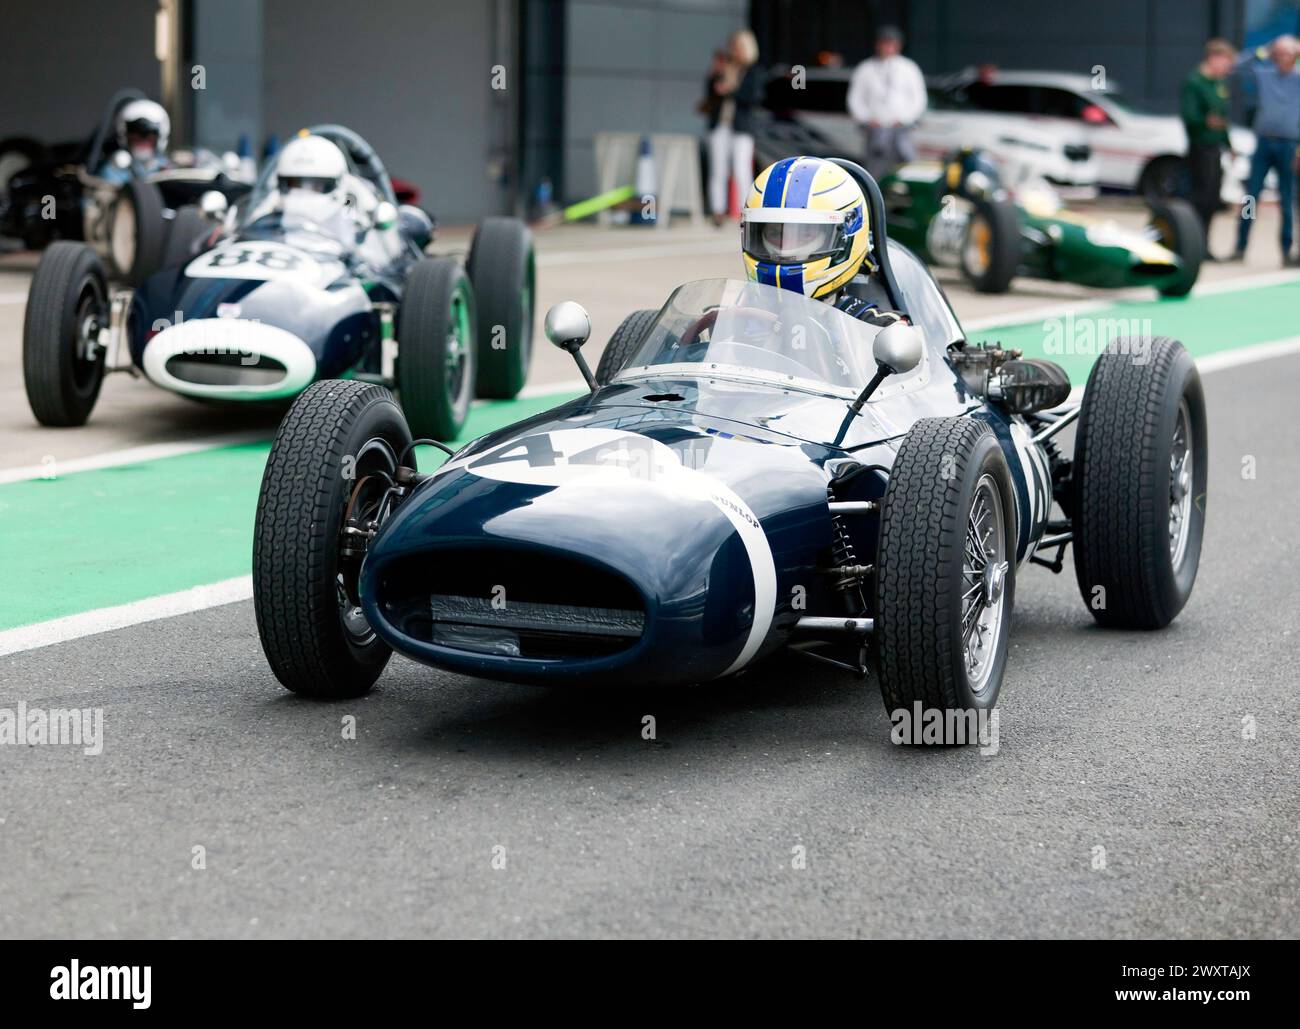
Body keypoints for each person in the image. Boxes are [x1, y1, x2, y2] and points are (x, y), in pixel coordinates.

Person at [740, 155, 906, 328]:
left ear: (845, 238)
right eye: (775, 233)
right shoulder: (740, 313)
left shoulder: (873, 324)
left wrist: (897, 336)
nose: (786, 249)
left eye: (804, 235)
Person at [1232, 36, 1300, 264]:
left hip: (1289, 145)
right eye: (1279, 54)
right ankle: (1240, 246)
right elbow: (1240, 65)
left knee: (1287, 198)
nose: (1282, 59)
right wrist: (1266, 49)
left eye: (1287, 54)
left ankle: (1286, 249)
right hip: (1263, 143)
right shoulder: (1265, 74)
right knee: (1251, 195)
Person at [847, 26, 928, 183]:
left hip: (902, 131)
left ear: (898, 46)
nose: (888, 48)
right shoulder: (865, 68)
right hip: (875, 132)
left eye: (892, 43)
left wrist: (904, 119)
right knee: (874, 172)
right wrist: (866, 118)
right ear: (877, 45)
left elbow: (919, 99)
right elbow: (855, 99)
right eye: (884, 43)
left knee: (907, 169)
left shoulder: (909, 68)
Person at [1180, 38, 1237, 254]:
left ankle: (1204, 245)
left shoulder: (1218, 84)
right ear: (1214, 58)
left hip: (1215, 149)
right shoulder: (1195, 82)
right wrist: (1206, 121)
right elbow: (1190, 116)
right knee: (1200, 198)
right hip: (1200, 148)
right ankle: (1191, 245)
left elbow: (1221, 118)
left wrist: (1228, 144)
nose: (1228, 67)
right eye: (1226, 62)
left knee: (1212, 199)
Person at [705, 29, 764, 227]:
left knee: (741, 169)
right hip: (721, 124)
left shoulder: (753, 70)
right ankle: (717, 211)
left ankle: (745, 211)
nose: (735, 51)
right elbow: (710, 92)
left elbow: (753, 97)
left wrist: (732, 90)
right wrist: (716, 78)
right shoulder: (725, 66)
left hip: (742, 127)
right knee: (718, 168)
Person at [97, 99, 170, 184]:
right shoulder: (114, 171)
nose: (142, 142)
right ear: (125, 136)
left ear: (160, 138)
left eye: (148, 136)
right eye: (136, 137)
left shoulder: (168, 168)